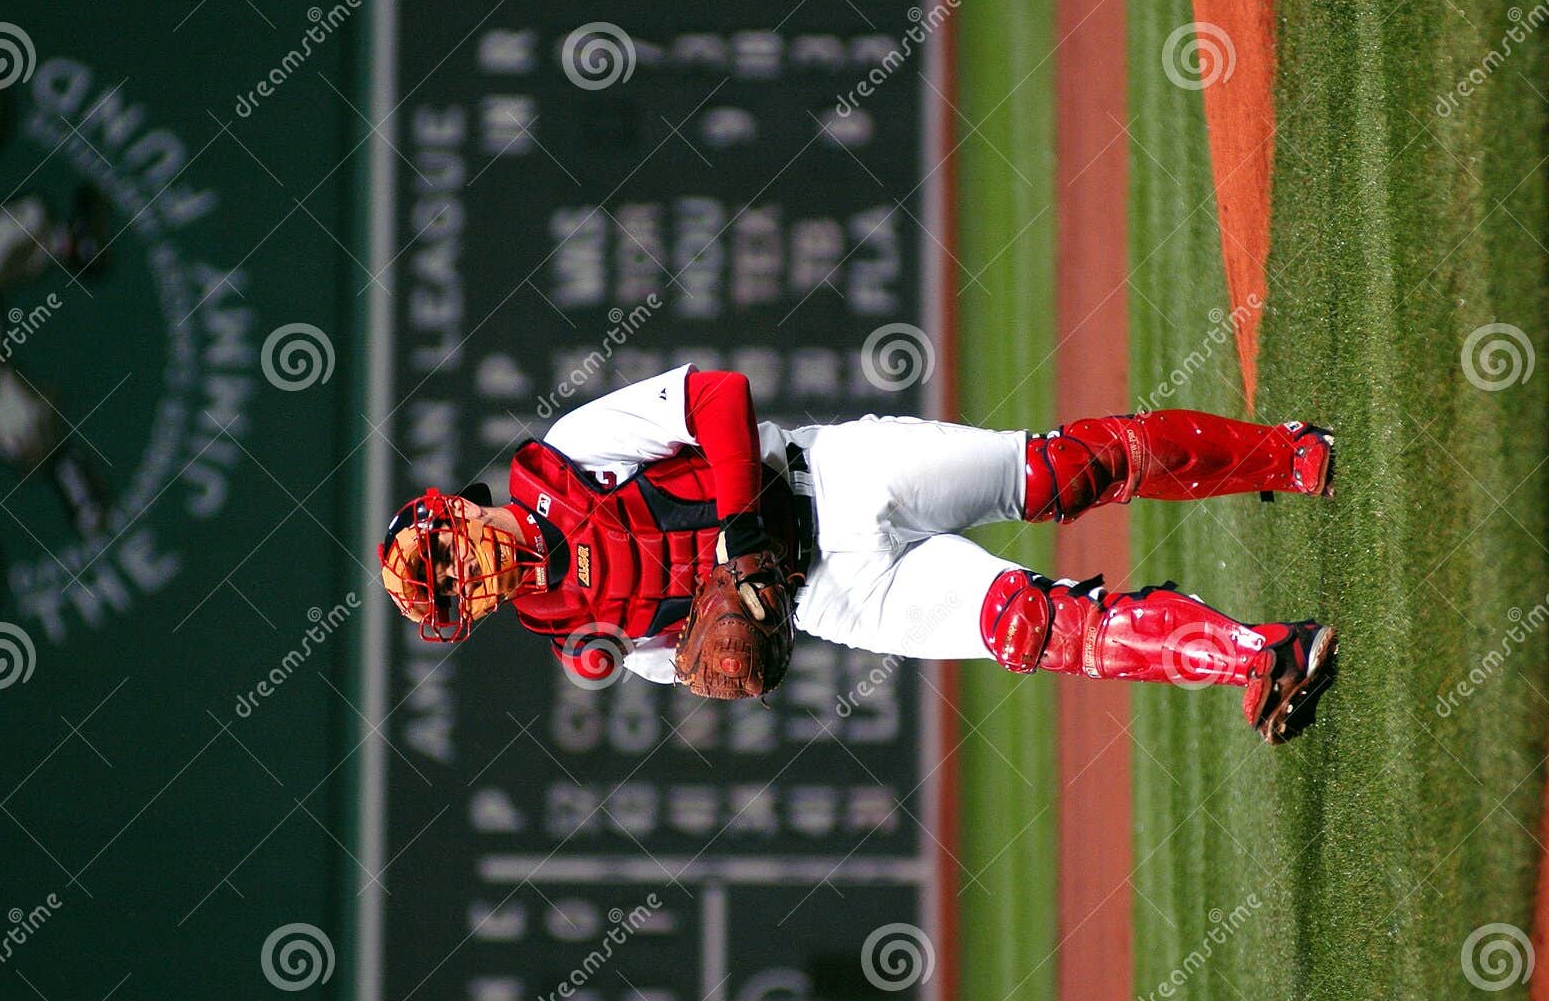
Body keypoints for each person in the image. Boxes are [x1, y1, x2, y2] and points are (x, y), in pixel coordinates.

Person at [378, 365, 1337, 742]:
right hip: (834, 596)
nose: (465, 573)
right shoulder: (579, 639)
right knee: (1035, 627)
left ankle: (1289, 455)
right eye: (449, 591)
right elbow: (711, 661)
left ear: (452, 511)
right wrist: (737, 662)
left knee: (1059, 475)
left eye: (444, 555)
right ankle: (1262, 658)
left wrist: (741, 531)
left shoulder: (564, 458)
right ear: (467, 616)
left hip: (836, 475)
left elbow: (717, 395)